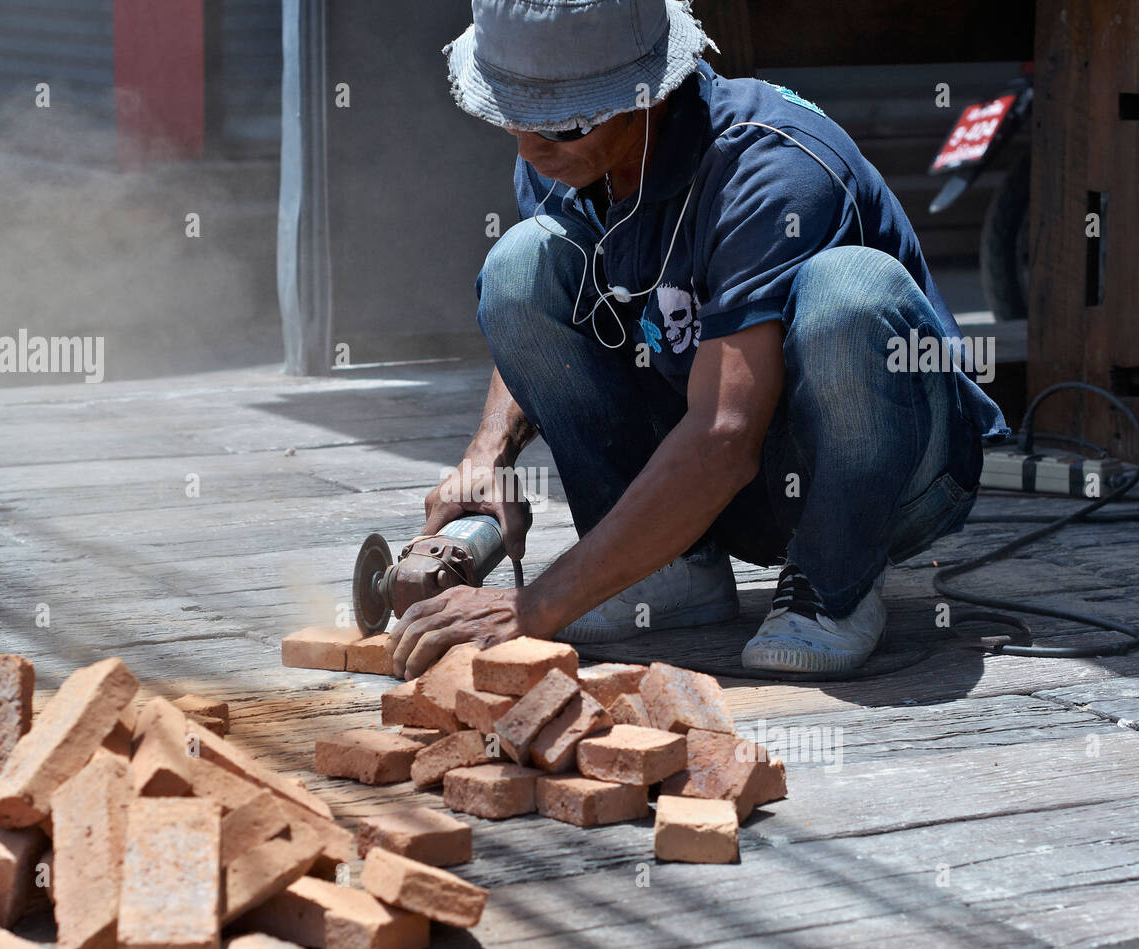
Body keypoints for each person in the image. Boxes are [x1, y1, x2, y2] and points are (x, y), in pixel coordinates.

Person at [385, 0, 1009, 680]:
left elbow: (723, 438)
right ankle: (671, 575)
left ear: (645, 95)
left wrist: (531, 609)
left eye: (559, 125)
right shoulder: (565, 157)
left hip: (889, 476)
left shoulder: (772, 172)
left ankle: (834, 584)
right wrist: (488, 450)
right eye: (513, 117)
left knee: (849, 291)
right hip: (735, 489)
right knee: (521, 262)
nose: (529, 150)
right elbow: (554, 306)